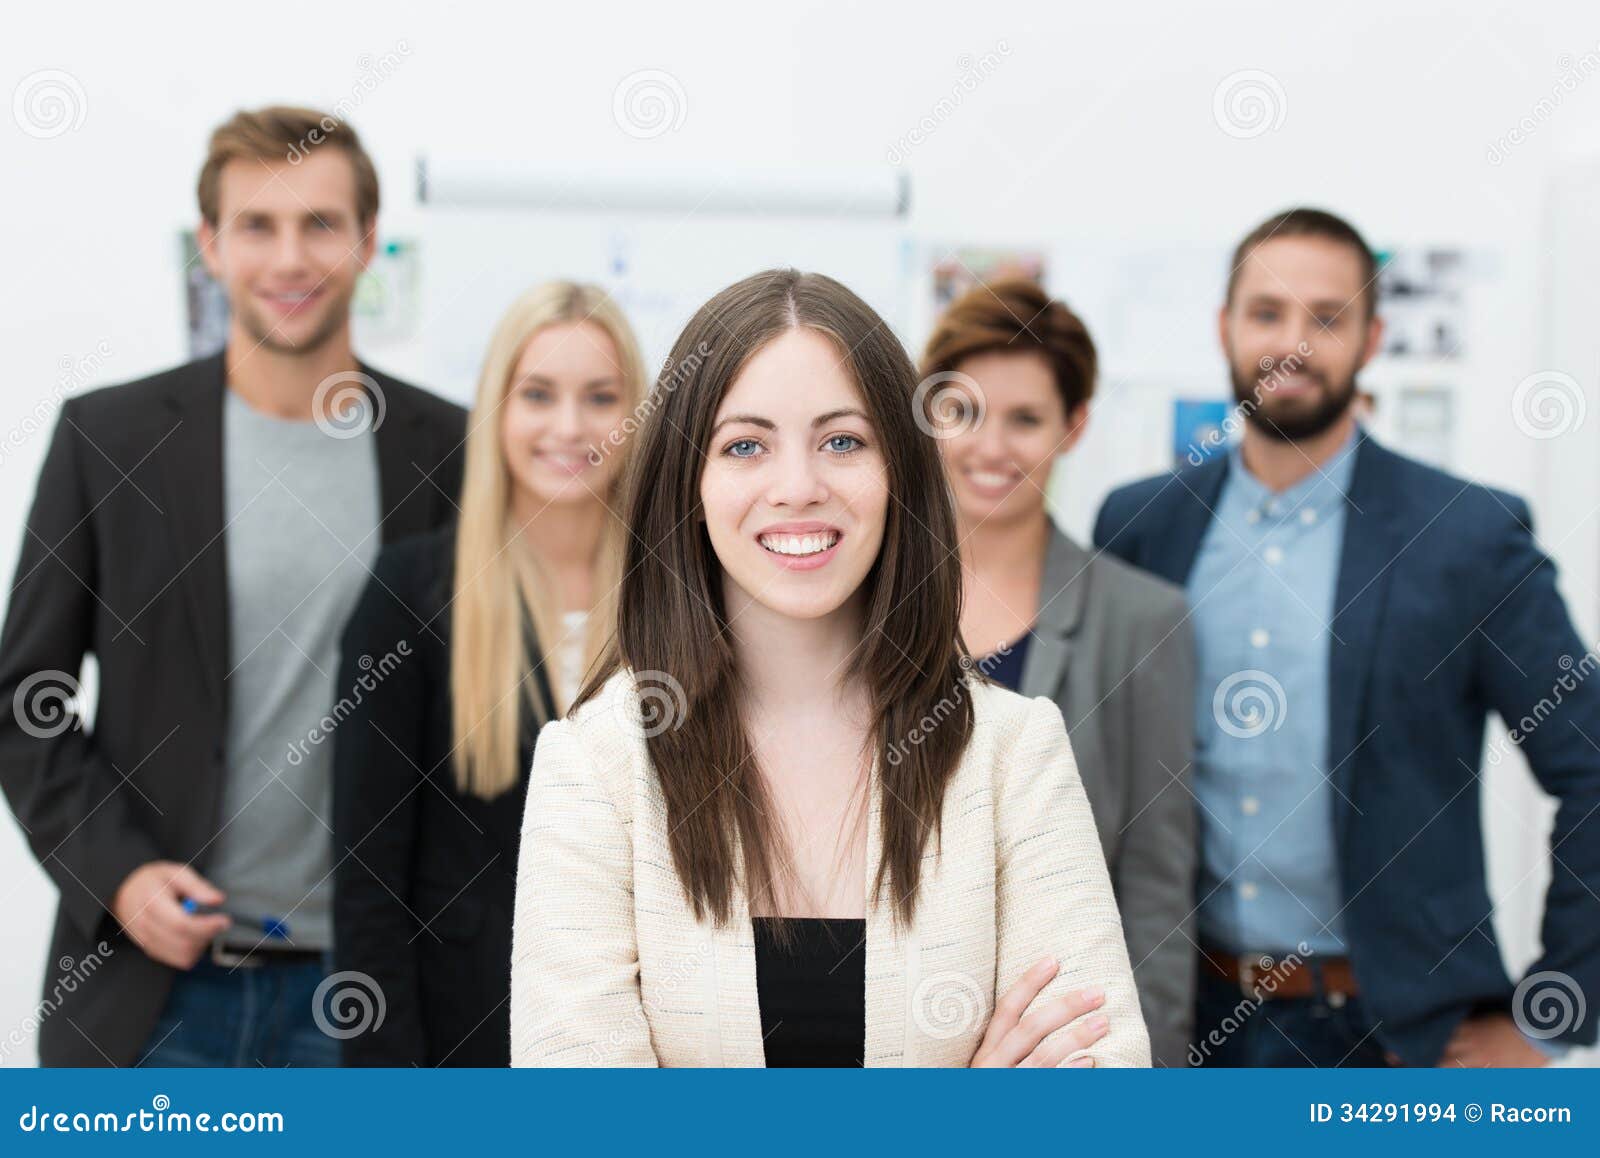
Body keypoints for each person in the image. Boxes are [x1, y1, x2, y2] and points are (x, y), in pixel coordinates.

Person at [510, 269, 1149, 1068]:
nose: (798, 488)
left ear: (899, 474)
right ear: (688, 483)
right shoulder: (596, 765)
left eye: (842, 441)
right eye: (745, 445)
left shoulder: (1015, 753)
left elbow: (1100, 1091)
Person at [0, 106, 465, 1066]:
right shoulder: (111, 441)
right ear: (210, 245)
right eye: (258, 225)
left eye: (321, 224)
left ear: (369, 242)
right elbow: (23, 702)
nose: (290, 258)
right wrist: (118, 877)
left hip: (374, 998)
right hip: (155, 998)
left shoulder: (447, 451)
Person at [1094, 207, 1600, 1067]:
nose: (1292, 343)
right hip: (1180, 1021)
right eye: (1267, 314)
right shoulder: (1143, 525)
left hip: (1396, 1039)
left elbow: (1591, 764)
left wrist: (1551, 1013)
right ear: (1225, 328)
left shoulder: (1466, 536)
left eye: (1326, 318)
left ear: (1373, 337)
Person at [332, 282, 646, 1065]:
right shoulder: (411, 593)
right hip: (459, 1040)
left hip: (647, 1042)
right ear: (496, 411)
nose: (569, 427)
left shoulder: (679, 599)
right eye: (538, 394)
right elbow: (367, 885)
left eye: (601, 397)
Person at [920, 279, 1197, 1067]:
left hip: (1066, 1047)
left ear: (1074, 427)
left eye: (1026, 420)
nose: (990, 447)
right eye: (963, 412)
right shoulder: (860, 604)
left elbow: (1156, 881)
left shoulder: (1144, 620)